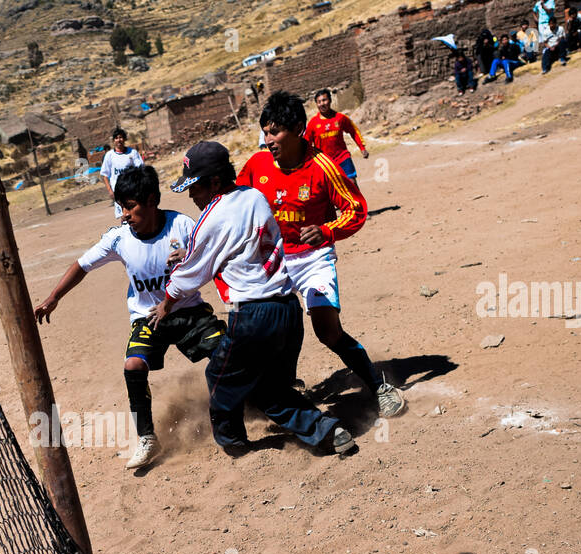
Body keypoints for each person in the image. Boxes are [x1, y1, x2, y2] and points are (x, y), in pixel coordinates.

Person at [152, 141, 353, 457]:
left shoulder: (213, 216)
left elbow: (190, 274)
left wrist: (166, 303)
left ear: (215, 182)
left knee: (219, 375)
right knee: (270, 388)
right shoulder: (254, 197)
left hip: (253, 316)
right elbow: (229, 242)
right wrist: (192, 252)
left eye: (195, 186)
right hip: (288, 310)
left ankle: (232, 442)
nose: (192, 195)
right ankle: (329, 431)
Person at [34, 165, 225, 470]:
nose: (124, 214)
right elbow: (82, 265)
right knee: (133, 365)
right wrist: (53, 297)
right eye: (121, 206)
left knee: (225, 351)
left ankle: (245, 401)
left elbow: (214, 256)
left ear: (151, 201)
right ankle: (148, 437)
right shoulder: (119, 238)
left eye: (130, 206)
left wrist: (190, 258)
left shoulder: (183, 226)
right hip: (148, 319)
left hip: (189, 311)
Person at [241, 92, 406, 421]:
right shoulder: (256, 165)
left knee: (326, 330)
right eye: (265, 132)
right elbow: (233, 204)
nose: (268, 139)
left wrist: (327, 229)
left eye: (275, 132)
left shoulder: (322, 167)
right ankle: (283, 389)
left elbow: (355, 209)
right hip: (274, 262)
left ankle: (379, 386)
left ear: (298, 129)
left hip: (314, 258)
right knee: (274, 328)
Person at [305, 89, 369, 180]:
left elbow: (353, 131)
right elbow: (306, 143)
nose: (322, 104)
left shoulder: (340, 118)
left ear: (330, 100)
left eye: (324, 100)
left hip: (343, 158)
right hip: (325, 162)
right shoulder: (313, 123)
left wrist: (362, 148)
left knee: (352, 183)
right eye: (319, 102)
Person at [99, 127, 144, 219]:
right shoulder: (109, 155)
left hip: (132, 189)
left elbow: (140, 169)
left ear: (124, 139)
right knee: (124, 217)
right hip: (118, 192)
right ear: (114, 140)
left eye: (121, 137)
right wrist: (110, 190)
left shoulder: (133, 153)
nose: (119, 140)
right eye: (116, 138)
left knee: (136, 214)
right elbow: (105, 175)